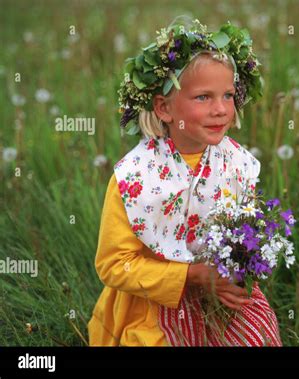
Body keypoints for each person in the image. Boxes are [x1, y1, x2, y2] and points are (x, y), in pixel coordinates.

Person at [87, 16, 281, 346]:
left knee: (257, 336)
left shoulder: (236, 163)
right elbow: (114, 265)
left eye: (228, 95)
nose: (221, 110)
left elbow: (242, 235)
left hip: (219, 292)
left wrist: (240, 269)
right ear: (164, 108)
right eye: (203, 97)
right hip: (155, 300)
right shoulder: (135, 177)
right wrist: (191, 276)